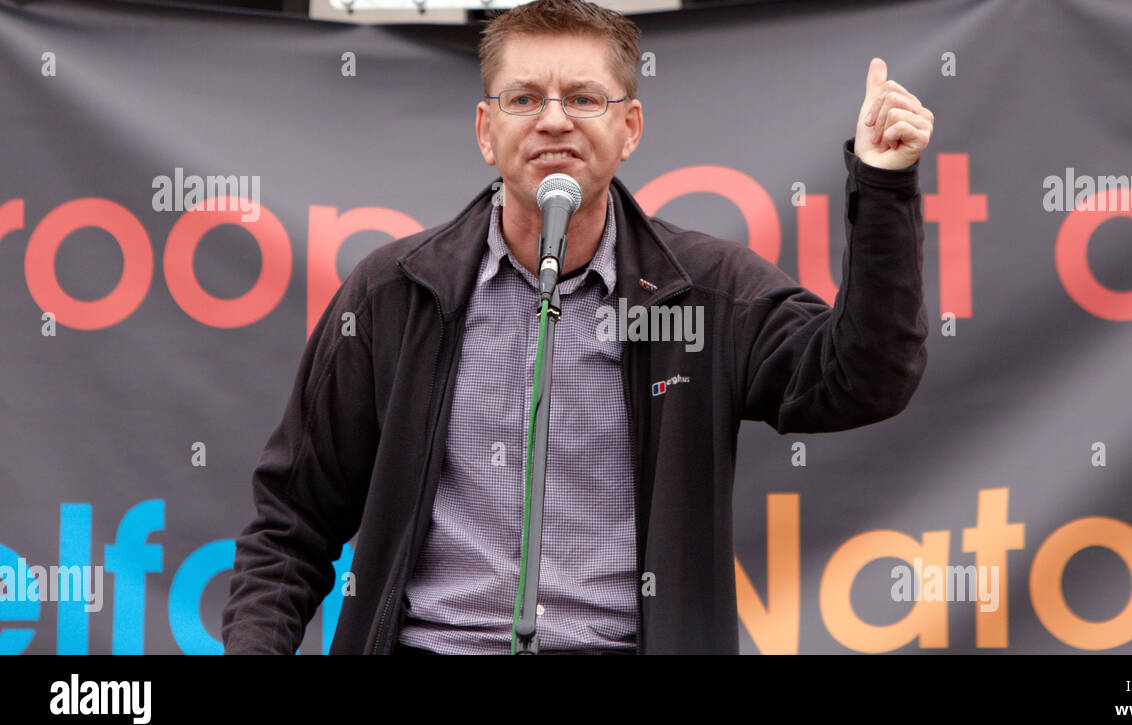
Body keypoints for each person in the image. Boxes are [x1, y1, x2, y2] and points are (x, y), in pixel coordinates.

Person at [221, 0, 933, 655]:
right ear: (484, 130)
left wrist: (883, 185)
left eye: (584, 98)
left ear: (629, 129)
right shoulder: (395, 290)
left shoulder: (706, 290)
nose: (554, 120)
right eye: (525, 98)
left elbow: (861, 378)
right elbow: (291, 527)